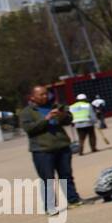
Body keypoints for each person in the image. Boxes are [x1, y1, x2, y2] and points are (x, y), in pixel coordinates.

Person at [18, 85, 82, 214]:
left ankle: (73, 199)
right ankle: (50, 206)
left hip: (62, 146)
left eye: (46, 93)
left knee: (66, 175)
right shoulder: (27, 112)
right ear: (32, 97)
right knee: (47, 179)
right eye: (41, 94)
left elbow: (69, 120)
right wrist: (46, 119)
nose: (45, 96)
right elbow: (30, 129)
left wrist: (62, 114)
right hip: (42, 150)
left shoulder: (56, 106)